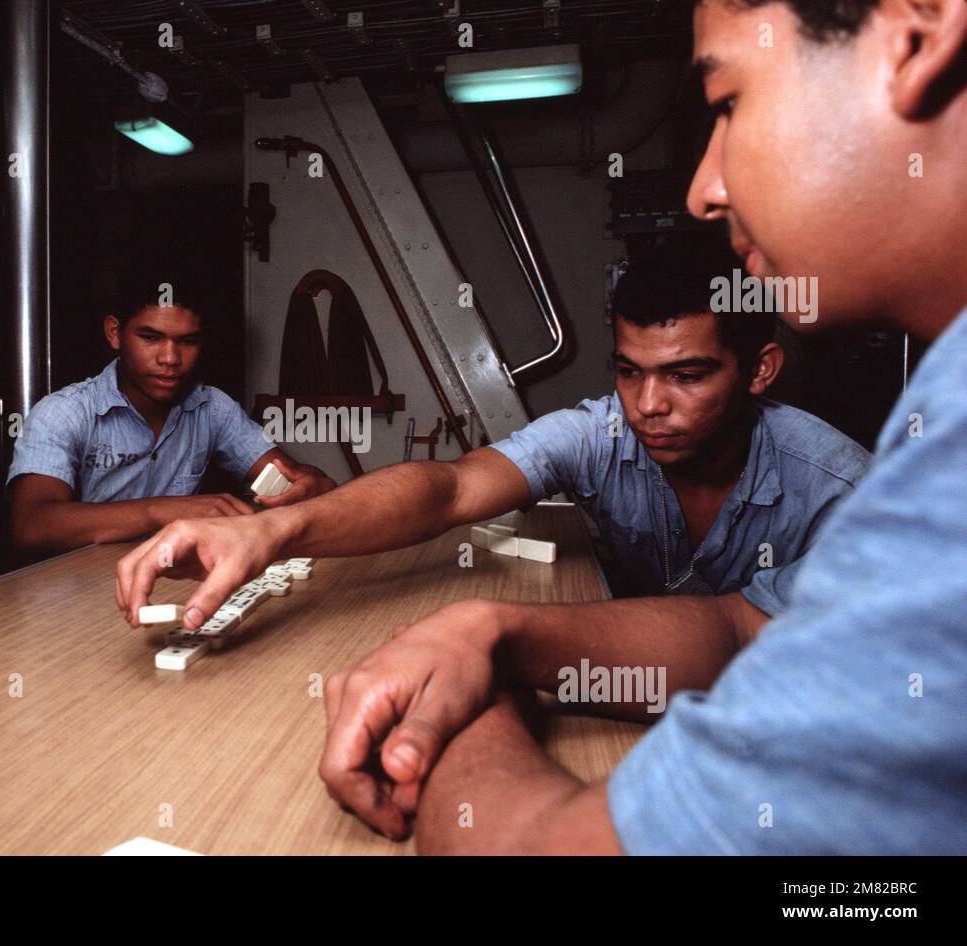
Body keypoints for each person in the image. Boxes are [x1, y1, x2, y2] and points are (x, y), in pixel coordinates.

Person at [314, 0, 967, 853]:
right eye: (630, 372)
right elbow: (736, 626)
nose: (705, 189)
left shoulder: (876, 485)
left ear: (919, 27)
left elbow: (545, 845)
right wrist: (489, 629)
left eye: (728, 102)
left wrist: (474, 697)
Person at [113, 249, 869, 629]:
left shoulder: (845, 492)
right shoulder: (595, 432)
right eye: (629, 372)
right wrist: (275, 532)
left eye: (688, 376)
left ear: (761, 371)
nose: (647, 406)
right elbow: (449, 488)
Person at [7, 282, 335, 552]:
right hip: (76, 596)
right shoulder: (63, 412)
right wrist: (164, 511)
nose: (170, 359)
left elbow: (295, 477)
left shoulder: (213, 407)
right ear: (115, 333)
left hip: (174, 582)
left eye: (187, 342)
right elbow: (32, 524)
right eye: (150, 338)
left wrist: (308, 485)